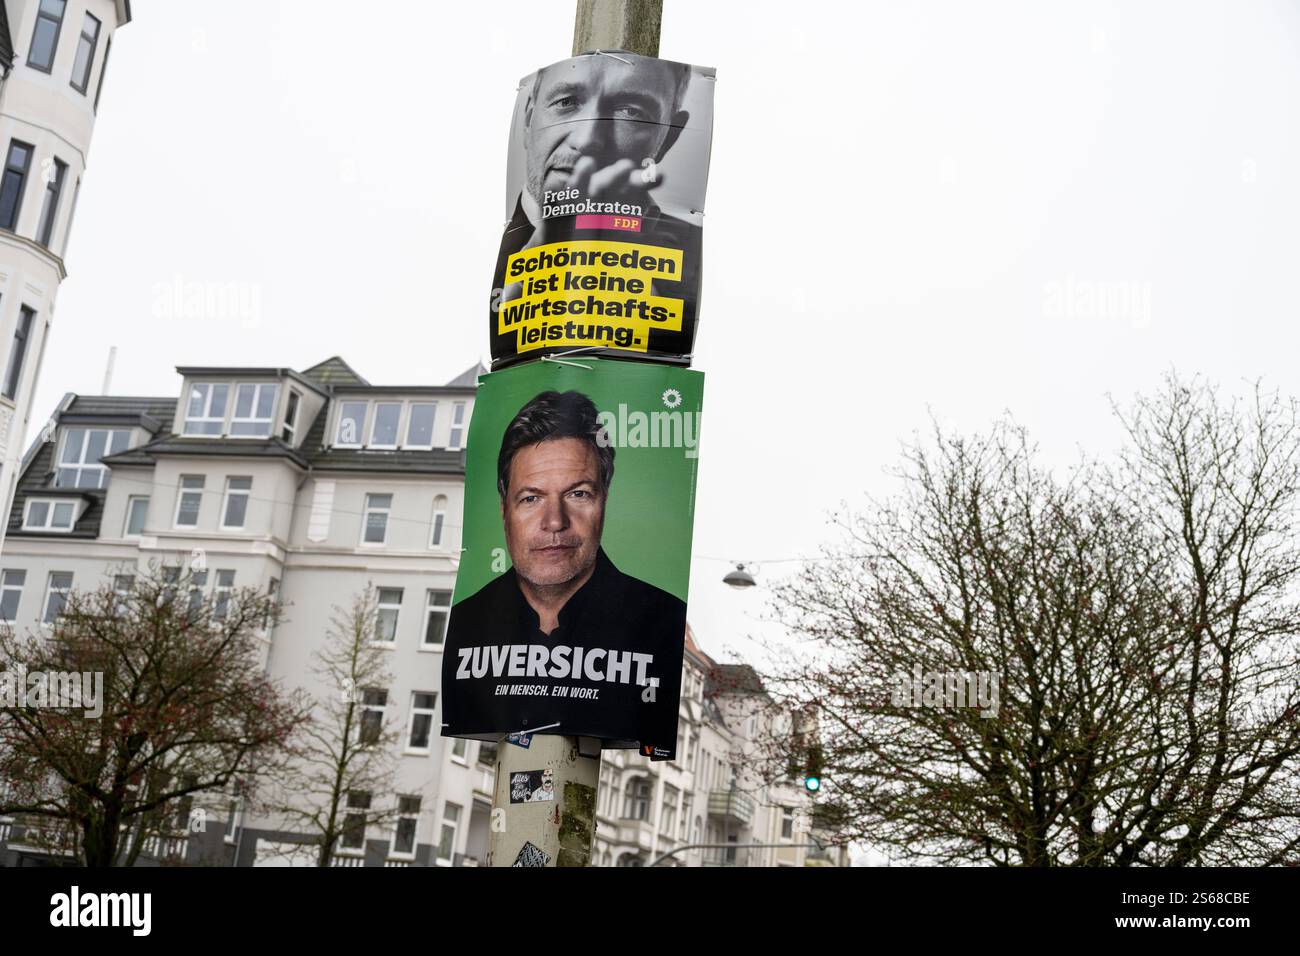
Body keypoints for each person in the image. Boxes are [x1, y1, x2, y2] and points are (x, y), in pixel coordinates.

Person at [441, 390, 685, 758]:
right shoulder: (466, 622)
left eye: (578, 494)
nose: (555, 522)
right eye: (531, 498)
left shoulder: (662, 623)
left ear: (605, 499)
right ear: (503, 508)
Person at [491, 52, 704, 366]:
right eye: (566, 102)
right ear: (528, 119)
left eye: (630, 111)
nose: (588, 139)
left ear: (669, 136)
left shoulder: (684, 256)